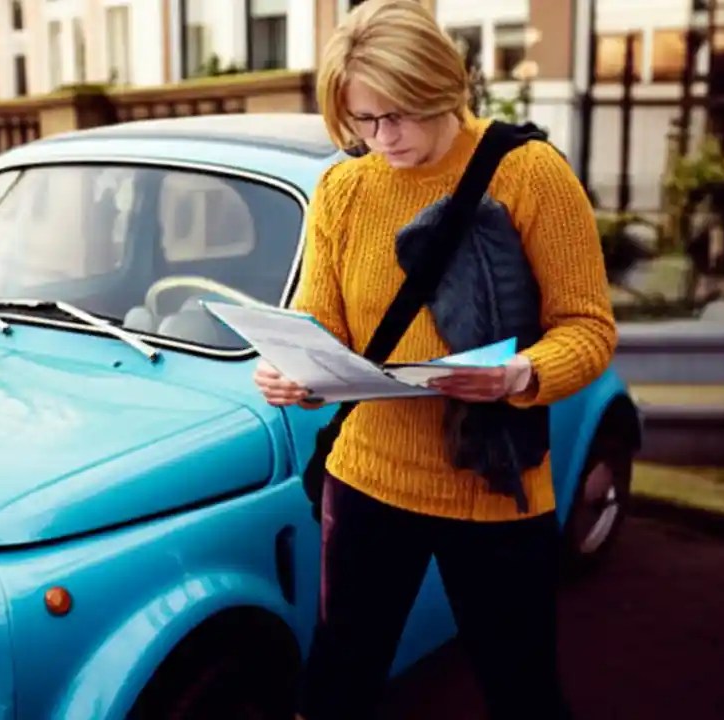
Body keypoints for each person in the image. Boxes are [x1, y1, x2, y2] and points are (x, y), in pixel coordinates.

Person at [251, 1, 618, 719]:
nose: (383, 137)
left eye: (399, 115)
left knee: (522, 689)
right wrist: (294, 371)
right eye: (364, 120)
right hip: (367, 478)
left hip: (492, 483)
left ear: (442, 87)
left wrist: (522, 375)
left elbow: (589, 328)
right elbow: (320, 322)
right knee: (338, 682)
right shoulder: (343, 188)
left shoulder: (529, 174)